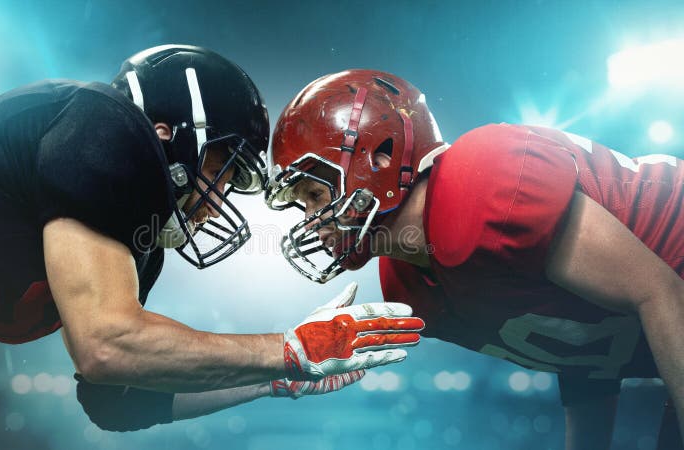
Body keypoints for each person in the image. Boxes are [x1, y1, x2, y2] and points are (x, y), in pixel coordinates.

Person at [0, 47, 424, 449]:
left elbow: (115, 399)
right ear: (169, 132)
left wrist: (276, 375)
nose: (219, 201)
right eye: (224, 168)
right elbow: (107, 346)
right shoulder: (104, 124)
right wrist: (288, 347)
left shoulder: (134, 241)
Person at [265, 69, 684, 450]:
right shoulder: (410, 281)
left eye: (316, 196)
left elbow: (660, 291)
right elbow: (582, 345)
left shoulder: (482, 186)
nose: (313, 222)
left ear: (381, 158)